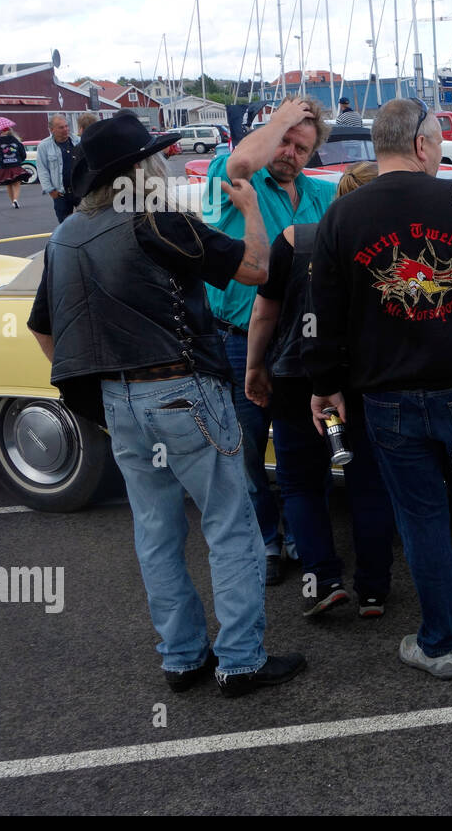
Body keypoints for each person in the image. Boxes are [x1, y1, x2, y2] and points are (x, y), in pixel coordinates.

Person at [26, 113, 305, 697]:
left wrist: (98, 389)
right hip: (183, 390)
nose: (167, 166)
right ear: (141, 168)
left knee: (156, 532)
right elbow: (256, 270)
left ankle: (181, 657)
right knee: (230, 527)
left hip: (119, 399)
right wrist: (252, 209)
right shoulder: (159, 219)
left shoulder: (66, 235)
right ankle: (240, 660)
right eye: (159, 158)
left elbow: (45, 330)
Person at [304, 99, 452, 680]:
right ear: (425, 145)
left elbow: (322, 315)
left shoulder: (343, 215)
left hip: (388, 395)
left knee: (422, 520)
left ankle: (441, 645)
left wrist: (325, 384)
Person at [245, 160, 397, 619]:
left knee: (301, 485)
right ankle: (373, 590)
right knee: (369, 484)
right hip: (365, 380)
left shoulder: (296, 239)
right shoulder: (391, 246)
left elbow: (264, 314)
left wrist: (255, 366)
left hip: (297, 377)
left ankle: (323, 580)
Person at [204, 96, 336, 586]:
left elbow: (374, 199)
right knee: (246, 446)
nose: (290, 153)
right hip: (241, 340)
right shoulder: (234, 180)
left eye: (302, 147)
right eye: (284, 141)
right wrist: (281, 119)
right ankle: (266, 538)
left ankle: (304, 533)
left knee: (311, 445)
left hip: (304, 347)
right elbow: (241, 159)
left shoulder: (323, 196)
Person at [35, 114, 78, 222]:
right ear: (51, 129)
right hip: (60, 193)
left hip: (80, 191)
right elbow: (42, 169)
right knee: (65, 226)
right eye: (61, 127)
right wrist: (50, 190)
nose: (65, 129)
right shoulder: (44, 146)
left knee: (87, 223)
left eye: (66, 126)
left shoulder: (78, 141)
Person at [0, 125, 27, 209]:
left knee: (9, 184)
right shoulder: (16, 140)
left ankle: (13, 201)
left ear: (2, 132)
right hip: (16, 165)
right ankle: (16, 200)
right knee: (16, 184)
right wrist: (20, 160)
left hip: (4, 166)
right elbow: (23, 154)